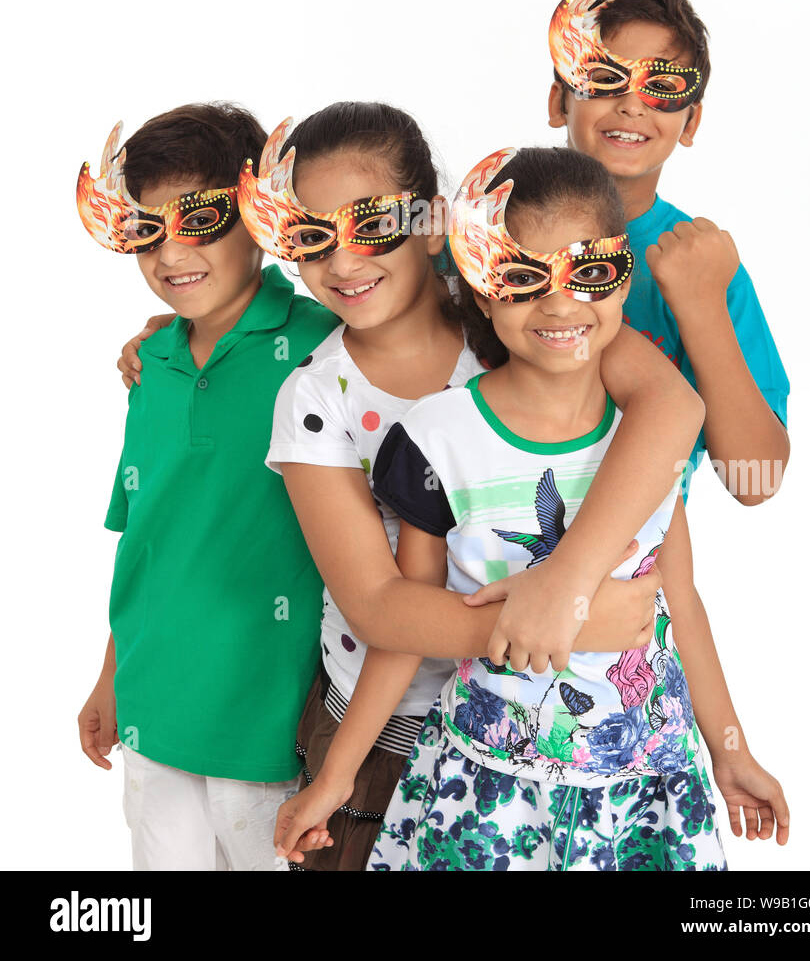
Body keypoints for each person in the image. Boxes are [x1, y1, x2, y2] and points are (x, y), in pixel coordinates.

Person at [242, 103, 707, 868]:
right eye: (312, 239)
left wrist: (568, 581)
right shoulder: (315, 400)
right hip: (383, 733)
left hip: (566, 730)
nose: (346, 259)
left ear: (434, 225)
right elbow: (380, 607)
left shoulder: (527, 314)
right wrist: (571, 620)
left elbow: (674, 406)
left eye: (373, 224)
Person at [363, 145, 787, 869]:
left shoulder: (642, 448)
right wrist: (338, 775)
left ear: (622, 282)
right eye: (525, 280)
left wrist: (731, 749)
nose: (560, 303)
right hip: (486, 787)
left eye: (589, 275)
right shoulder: (441, 438)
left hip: (646, 787)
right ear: (482, 287)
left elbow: (679, 600)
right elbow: (398, 620)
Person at [76, 103, 339, 871]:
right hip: (154, 715)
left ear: (255, 216)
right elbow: (150, 540)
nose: (171, 253)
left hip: (273, 728)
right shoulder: (150, 367)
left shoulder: (326, 345)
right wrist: (110, 677)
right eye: (145, 232)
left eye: (198, 220)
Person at [547, 0, 790, 506]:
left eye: (661, 87)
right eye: (603, 76)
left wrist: (701, 307)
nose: (632, 104)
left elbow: (756, 478)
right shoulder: (490, 227)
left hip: (641, 558)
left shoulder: (704, 266)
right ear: (558, 100)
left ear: (690, 120)